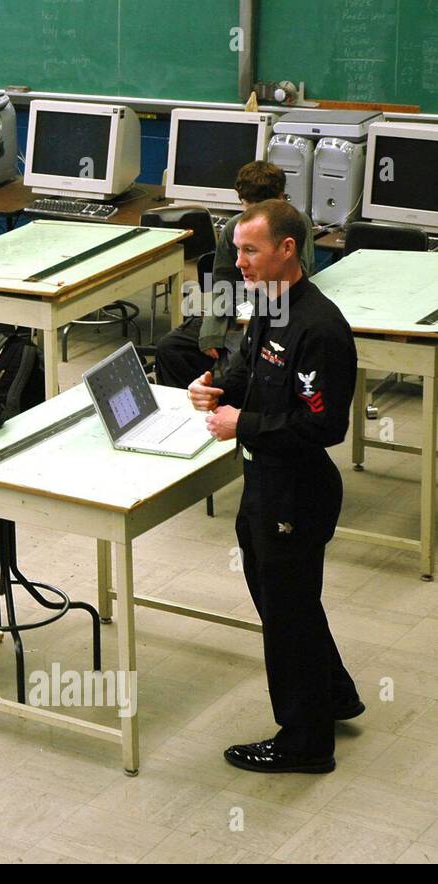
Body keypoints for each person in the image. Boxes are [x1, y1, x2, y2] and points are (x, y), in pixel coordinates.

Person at [188, 199, 362, 774]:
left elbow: (323, 426)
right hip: (264, 481)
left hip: (297, 491)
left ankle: (305, 742)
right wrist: (217, 388)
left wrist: (246, 424)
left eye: (251, 250)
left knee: (286, 614)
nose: (239, 261)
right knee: (286, 603)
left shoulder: (320, 329)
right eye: (237, 248)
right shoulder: (267, 301)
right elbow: (248, 370)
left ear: (288, 249)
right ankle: (332, 693)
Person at [155, 161, 317, 388]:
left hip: (273, 312)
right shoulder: (234, 227)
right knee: (170, 348)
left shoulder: (297, 223)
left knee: (236, 364)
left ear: (280, 198)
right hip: (237, 305)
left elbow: (299, 275)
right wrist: (212, 331)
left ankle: (226, 407)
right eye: (247, 206)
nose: (253, 215)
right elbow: (223, 281)